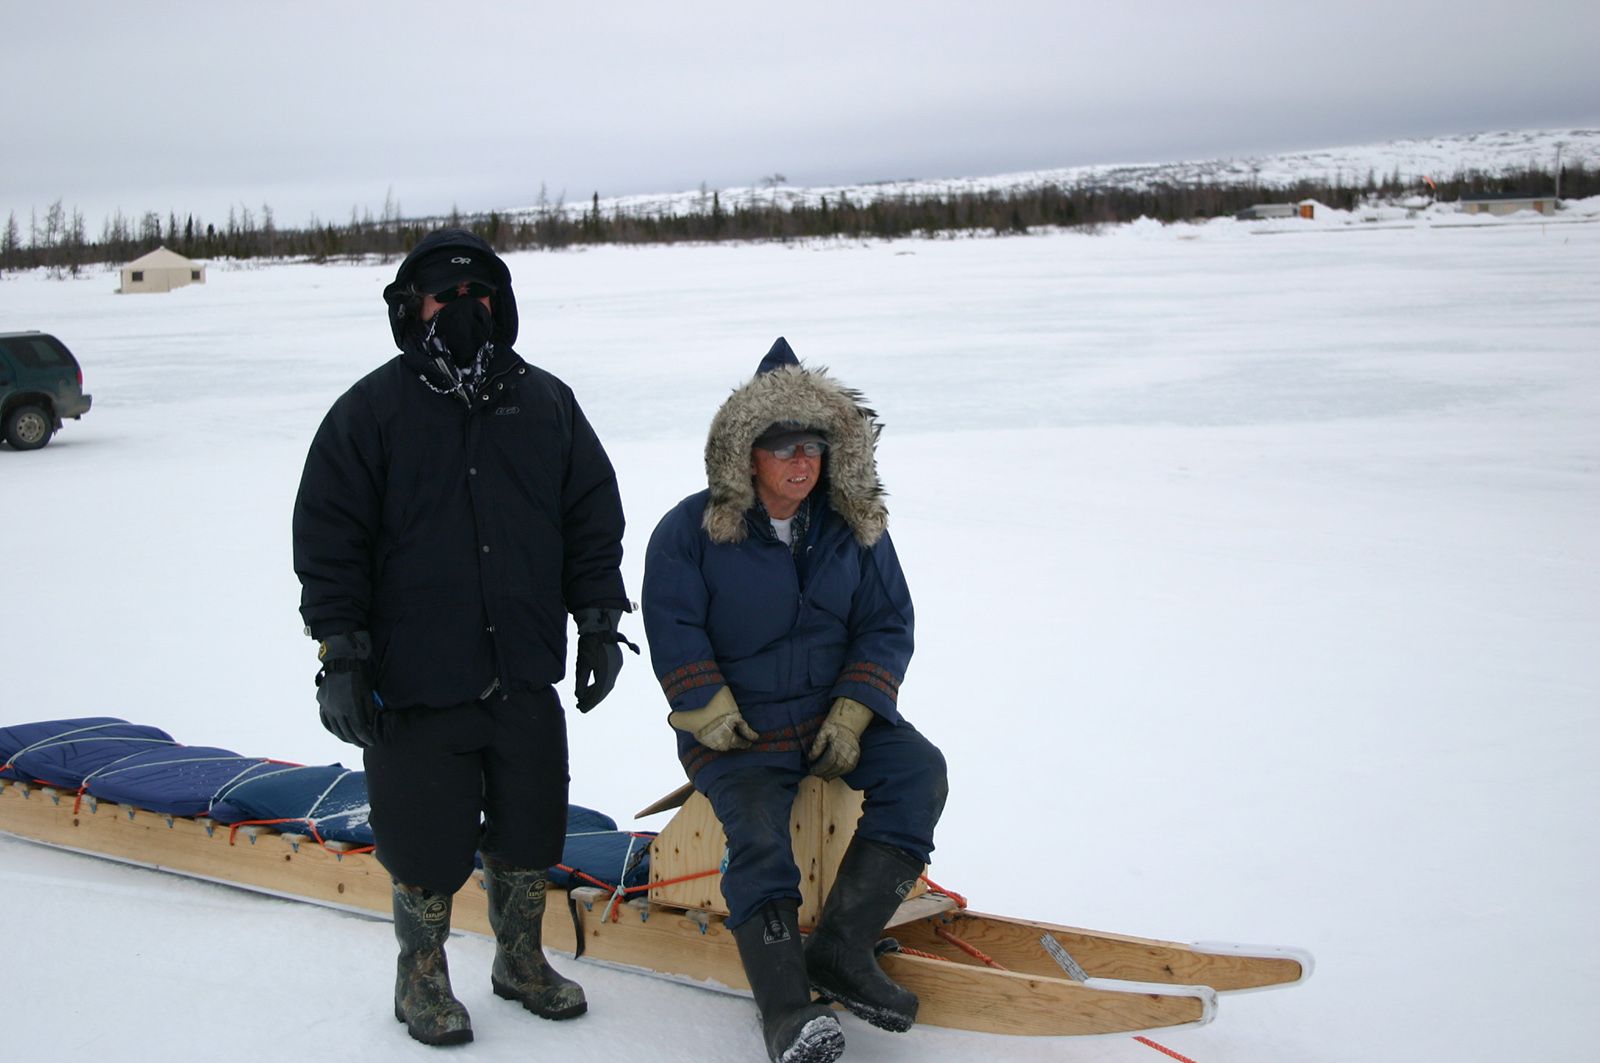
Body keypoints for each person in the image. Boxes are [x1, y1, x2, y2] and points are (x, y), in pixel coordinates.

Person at [292, 228, 634, 1047]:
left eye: (480, 295)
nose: (465, 309)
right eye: (447, 297)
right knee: (425, 838)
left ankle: (521, 960)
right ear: (415, 310)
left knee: (529, 827)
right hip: (415, 676)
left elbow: (591, 518)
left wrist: (597, 622)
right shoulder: (370, 411)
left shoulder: (546, 402)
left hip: (519, 668)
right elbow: (328, 539)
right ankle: (422, 980)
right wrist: (340, 654)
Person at [642, 337, 948, 1063]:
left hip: (827, 719)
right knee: (757, 831)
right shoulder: (690, 532)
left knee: (919, 771)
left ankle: (843, 946)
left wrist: (853, 711)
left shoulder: (853, 529)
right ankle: (784, 1010)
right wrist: (708, 708)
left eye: (812, 445)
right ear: (747, 452)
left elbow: (887, 623)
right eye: (783, 446)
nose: (801, 462)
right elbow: (673, 626)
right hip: (739, 732)